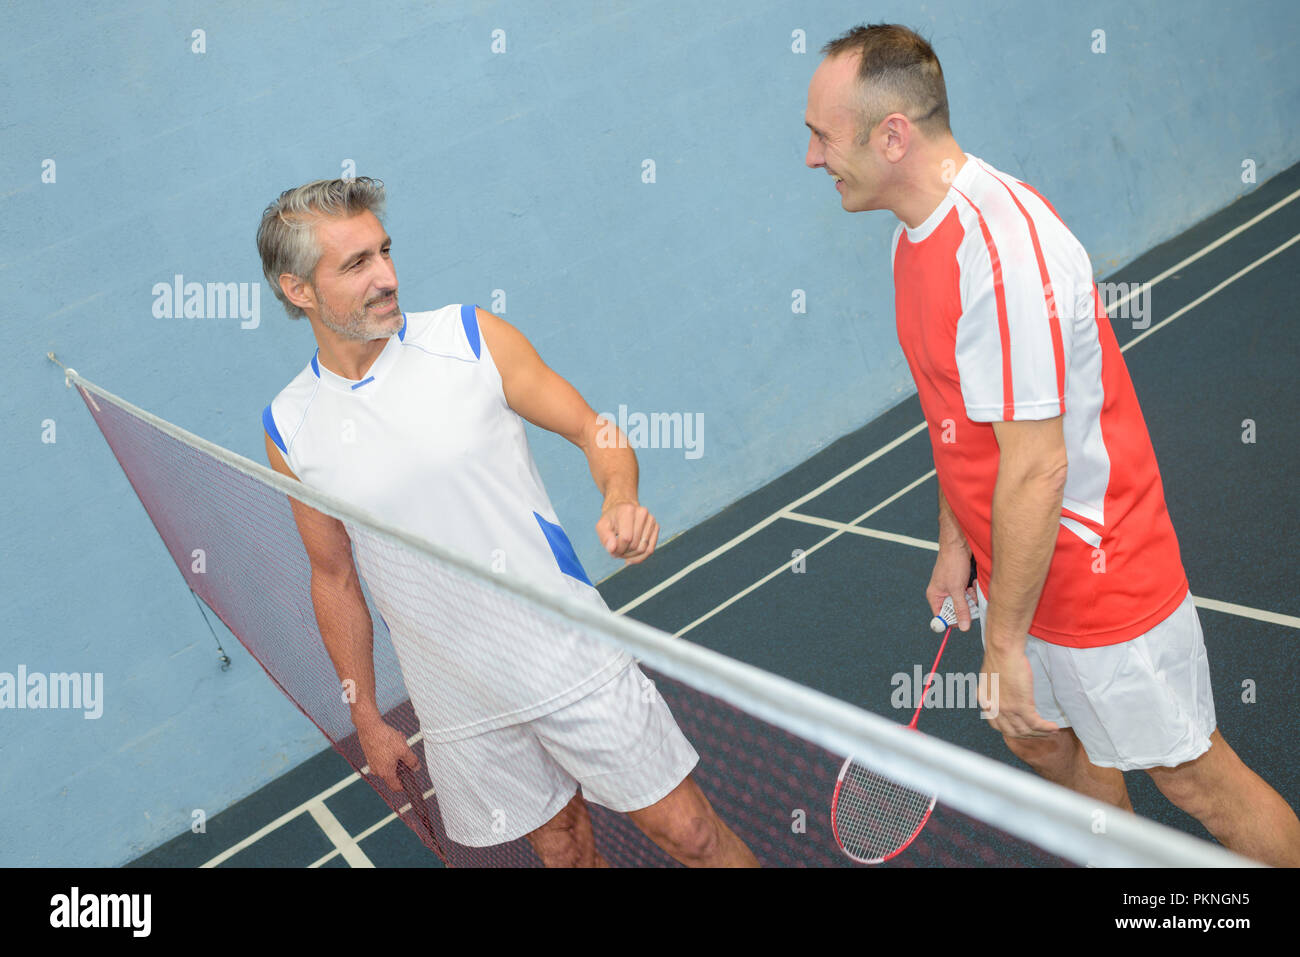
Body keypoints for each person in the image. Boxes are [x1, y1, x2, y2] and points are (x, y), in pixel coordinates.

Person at [803, 23, 1300, 866]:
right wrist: (956, 539)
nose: (814, 159)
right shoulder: (911, 242)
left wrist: (1001, 646)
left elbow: (1038, 465)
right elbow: (957, 417)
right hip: (1015, 570)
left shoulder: (1001, 256)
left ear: (892, 135)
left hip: (1101, 574)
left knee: (1193, 778)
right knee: (1048, 746)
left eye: (823, 135)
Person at [256, 177, 757, 867]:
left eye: (385, 251)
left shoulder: (467, 337)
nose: (387, 277)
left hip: (562, 648)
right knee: (563, 851)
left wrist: (619, 496)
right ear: (298, 290)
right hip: (455, 694)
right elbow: (333, 575)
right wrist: (367, 715)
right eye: (357, 264)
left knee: (691, 833)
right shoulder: (290, 424)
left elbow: (593, 428)